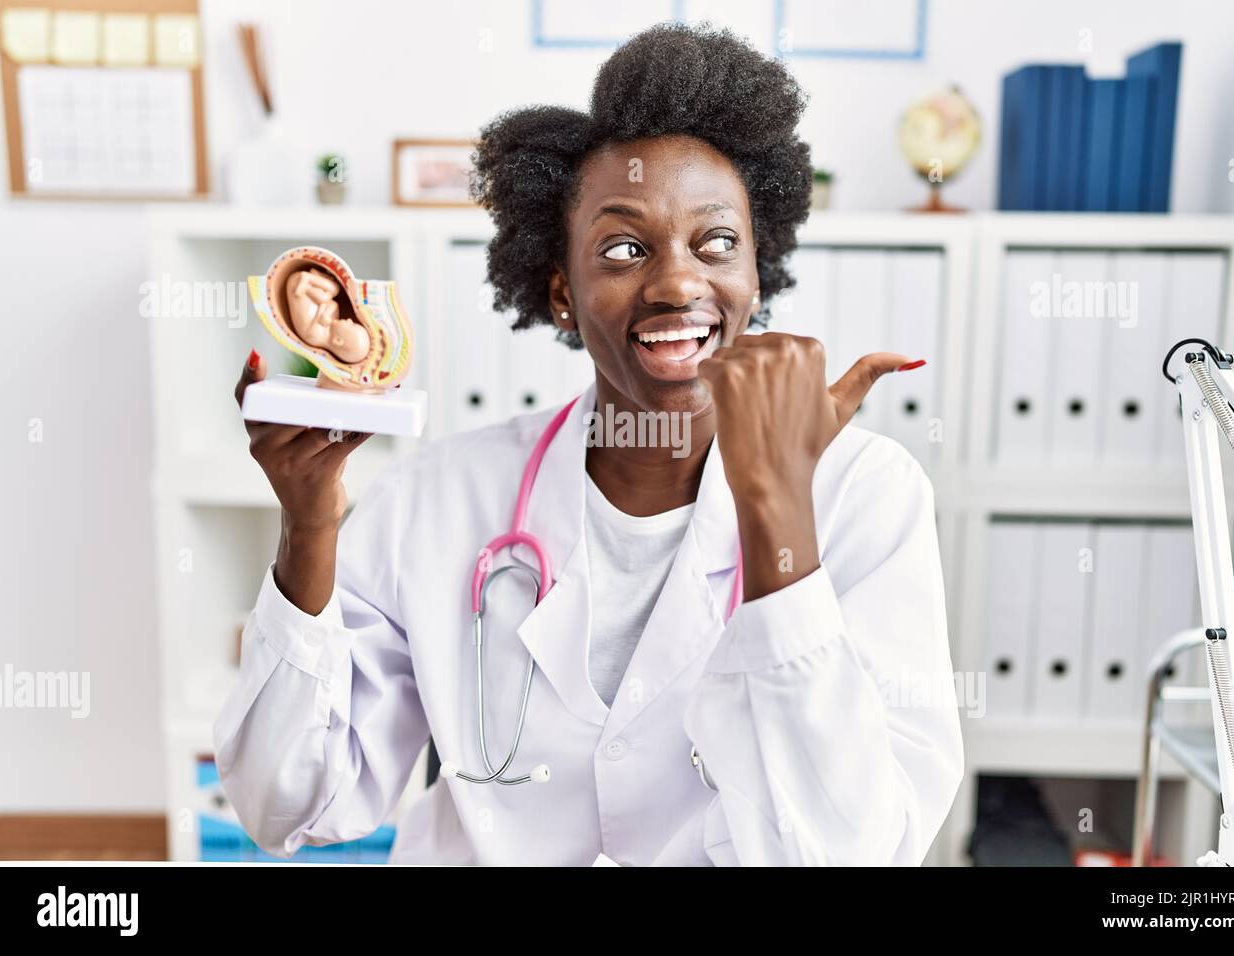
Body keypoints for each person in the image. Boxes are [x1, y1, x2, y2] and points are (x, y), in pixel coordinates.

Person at [216, 21, 963, 866]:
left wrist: (777, 506)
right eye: (623, 248)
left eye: (717, 243)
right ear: (563, 293)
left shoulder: (867, 495)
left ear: (759, 270)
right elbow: (286, 809)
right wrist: (308, 527)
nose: (679, 281)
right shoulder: (439, 497)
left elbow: (855, 850)